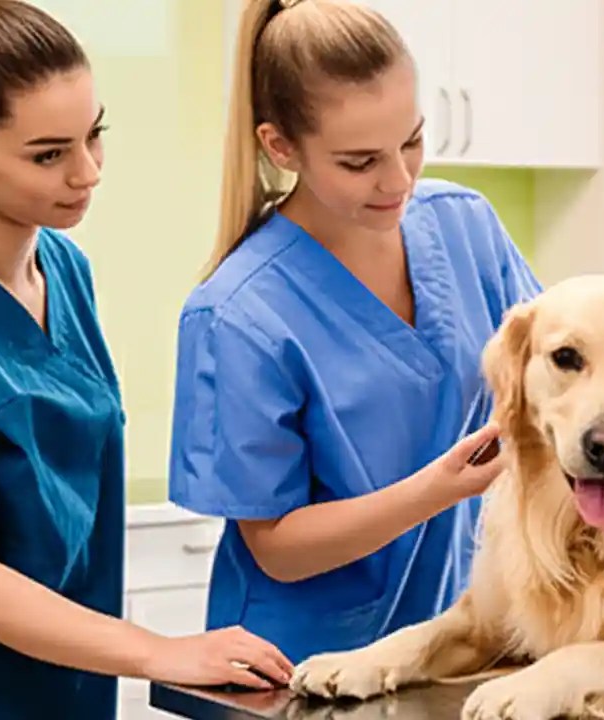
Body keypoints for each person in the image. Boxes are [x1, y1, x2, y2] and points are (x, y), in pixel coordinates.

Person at [0, 1, 291, 718]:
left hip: (63, 694)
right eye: (49, 154)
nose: (88, 171)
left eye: (93, 135)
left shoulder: (64, 270)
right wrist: (160, 651)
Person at [166, 0, 543, 666]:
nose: (398, 179)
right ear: (280, 146)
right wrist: (440, 487)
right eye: (359, 160)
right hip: (297, 669)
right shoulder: (237, 315)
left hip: (448, 645)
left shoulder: (466, 227)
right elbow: (277, 547)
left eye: (412, 141)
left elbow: (552, 374)